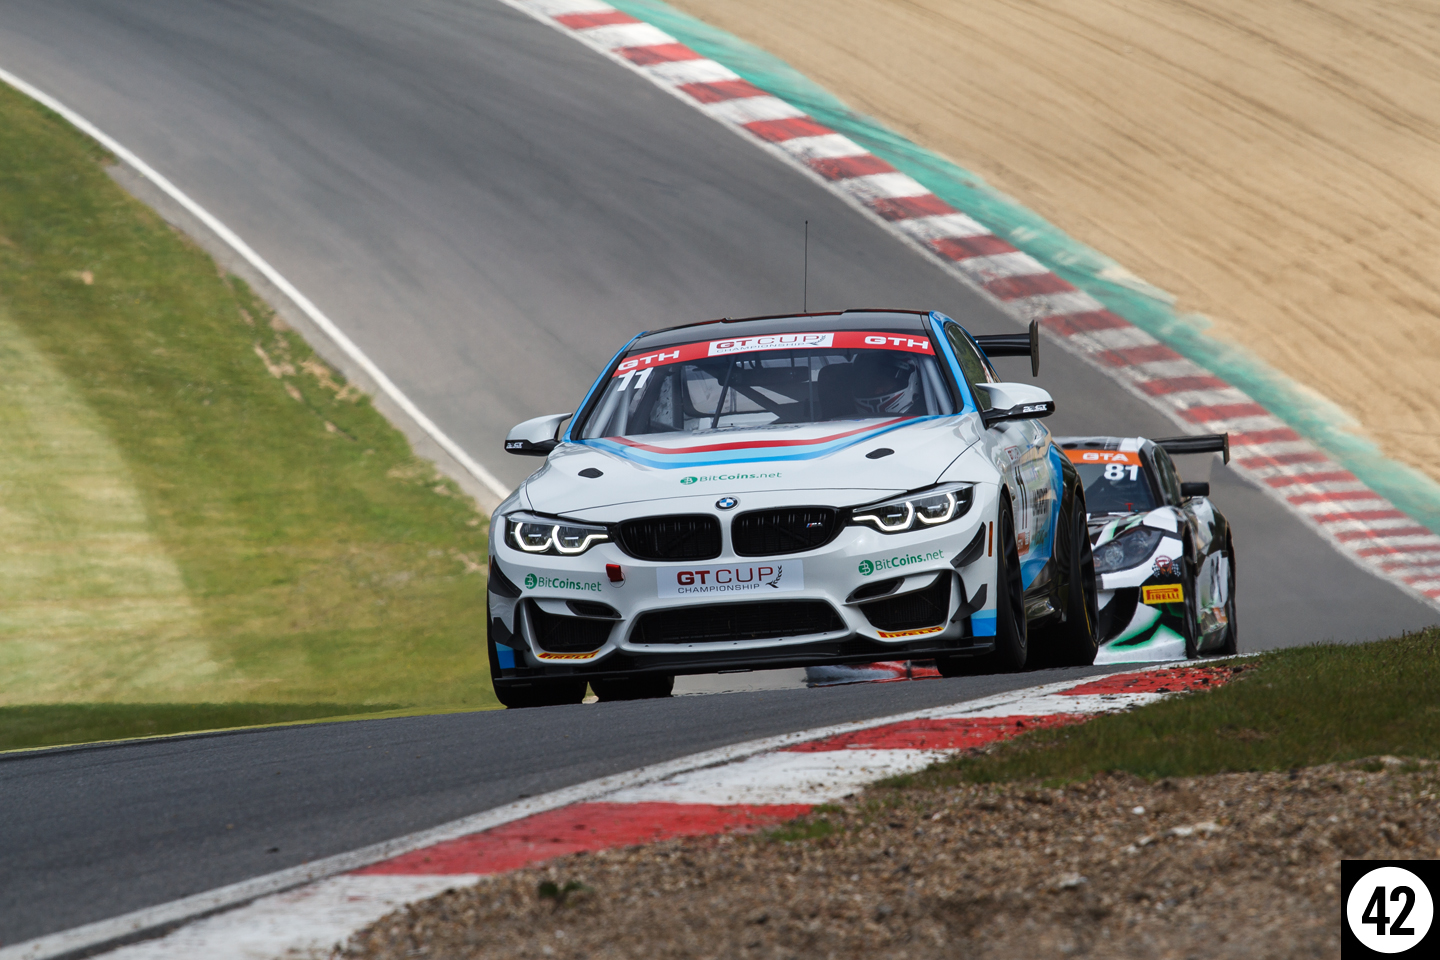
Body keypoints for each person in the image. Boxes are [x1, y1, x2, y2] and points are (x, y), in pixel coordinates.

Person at [851, 351, 921, 416]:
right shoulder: (848, 421)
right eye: (871, 385)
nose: (877, 391)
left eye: (883, 384)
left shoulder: (925, 421)